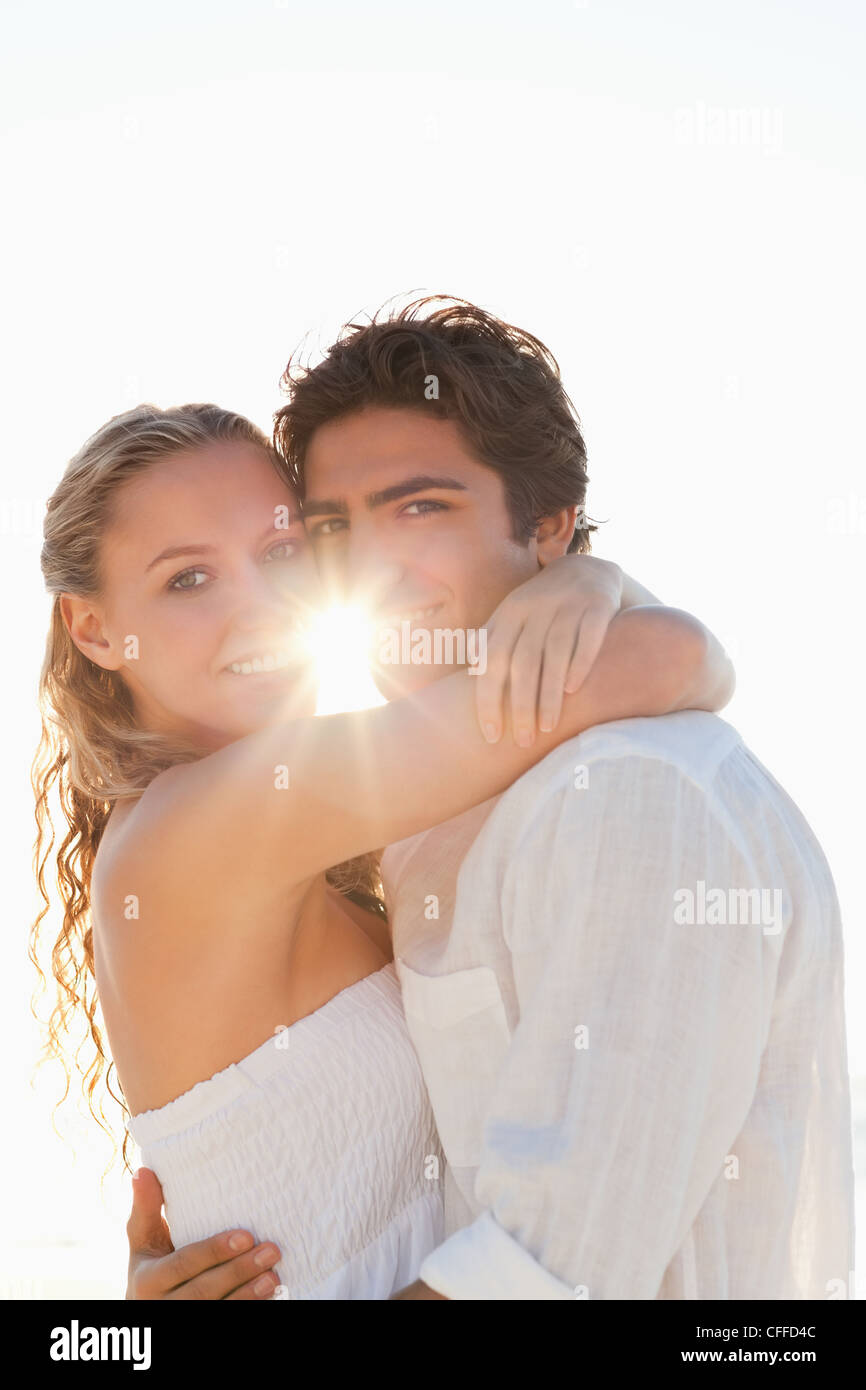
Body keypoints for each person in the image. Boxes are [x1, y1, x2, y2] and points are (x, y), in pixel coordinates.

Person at [128, 297, 853, 1299]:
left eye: (419, 507)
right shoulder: (442, 811)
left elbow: (540, 1273)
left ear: (548, 528)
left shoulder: (626, 794)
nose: (371, 565)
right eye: (332, 527)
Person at [34, 391, 730, 1300]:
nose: (258, 607)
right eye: (188, 579)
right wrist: (585, 581)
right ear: (93, 628)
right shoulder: (200, 826)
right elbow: (675, 659)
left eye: (281, 553)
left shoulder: (284, 834)